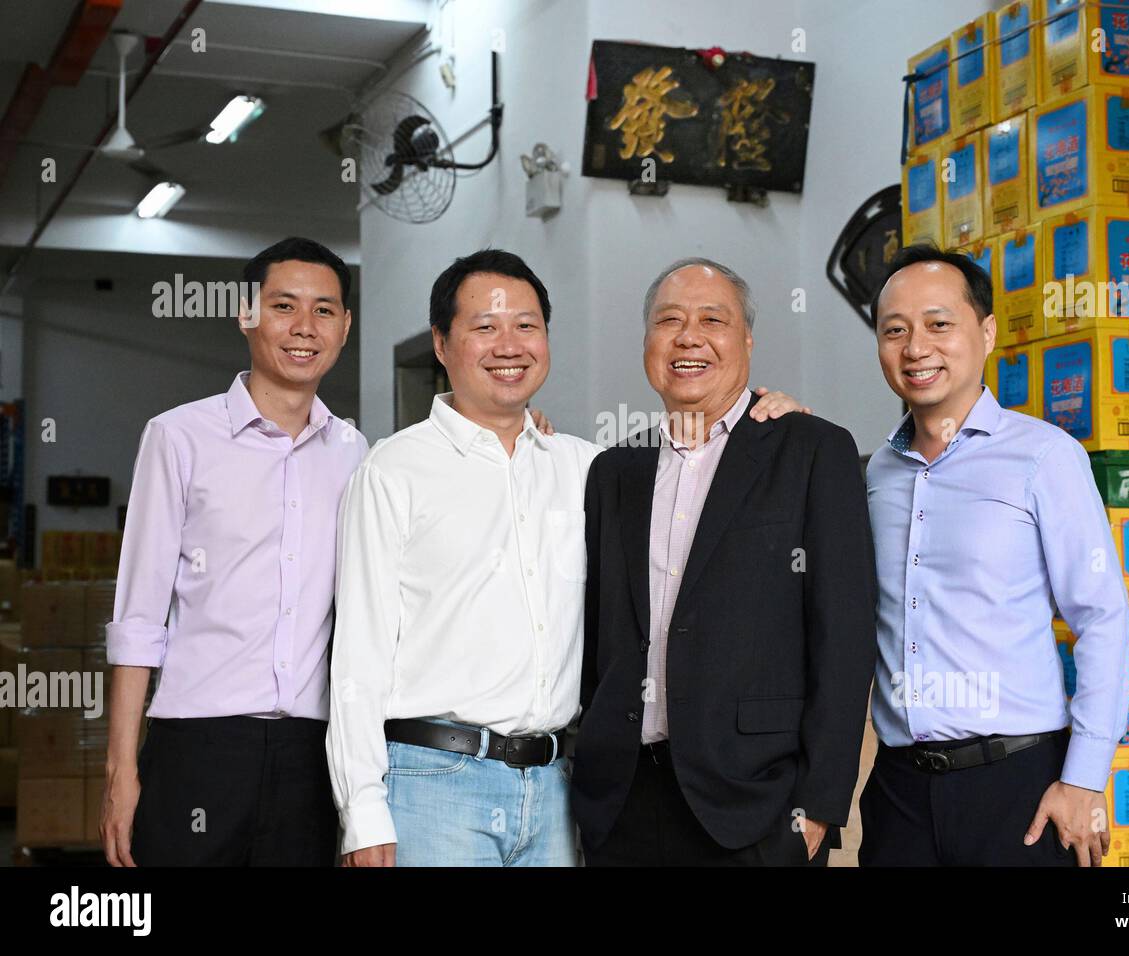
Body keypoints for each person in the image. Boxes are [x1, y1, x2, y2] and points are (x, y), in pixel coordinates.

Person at [326, 249, 805, 866]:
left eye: (526, 326)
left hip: (555, 791)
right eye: (484, 327)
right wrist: (362, 814)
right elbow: (357, 660)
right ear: (442, 345)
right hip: (434, 784)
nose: (509, 344)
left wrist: (769, 422)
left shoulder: (588, 469)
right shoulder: (392, 470)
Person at [573, 258, 876, 866]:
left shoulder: (812, 450)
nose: (689, 337)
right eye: (670, 321)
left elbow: (844, 635)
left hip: (757, 807)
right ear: (647, 344)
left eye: (714, 319)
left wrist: (820, 802)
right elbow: (596, 636)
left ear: (746, 342)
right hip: (626, 803)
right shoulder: (612, 472)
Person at [859, 243, 1129, 867]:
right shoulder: (878, 472)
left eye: (938, 325)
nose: (915, 348)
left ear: (985, 334)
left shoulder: (1043, 456)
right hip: (899, 789)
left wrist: (1085, 778)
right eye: (893, 331)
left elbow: (1103, 619)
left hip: (1019, 786)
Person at [101, 237, 367, 866]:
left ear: (346, 326)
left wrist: (523, 428)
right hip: (197, 747)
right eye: (284, 306)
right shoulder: (178, 437)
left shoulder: (356, 454)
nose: (305, 328)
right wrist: (119, 770)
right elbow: (138, 617)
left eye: (325, 310)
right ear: (246, 314)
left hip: (311, 754)